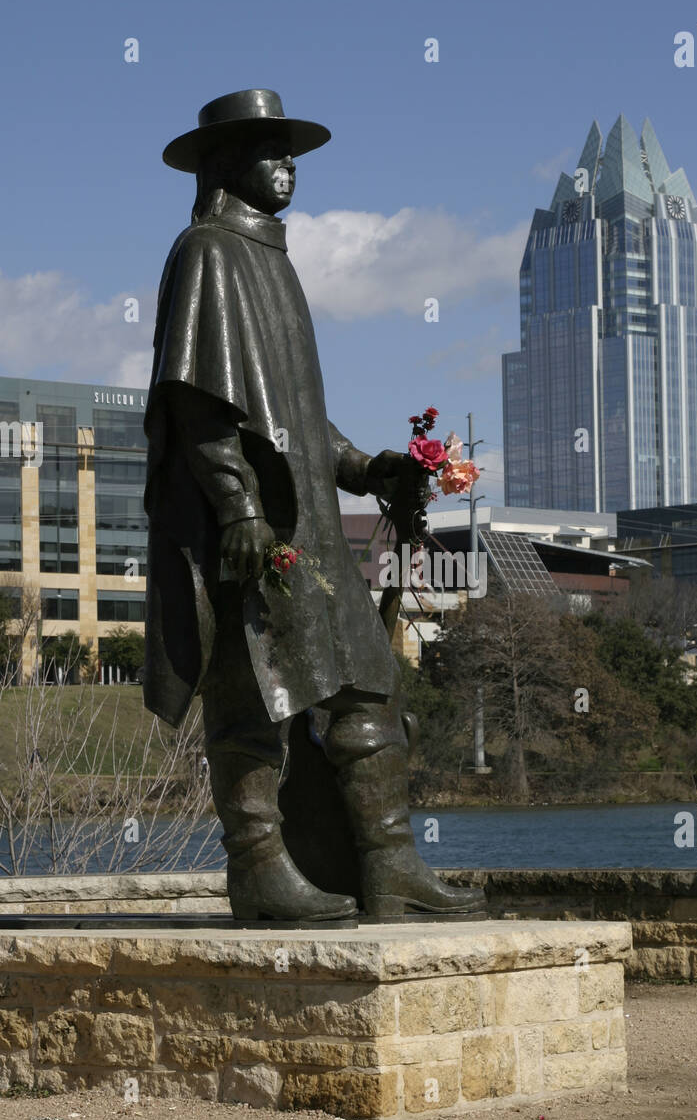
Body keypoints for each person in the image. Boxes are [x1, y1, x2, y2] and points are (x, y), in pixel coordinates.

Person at [143, 90, 484, 924]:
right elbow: (198, 405)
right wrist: (237, 510)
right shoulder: (206, 253)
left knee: (367, 693)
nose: (288, 167)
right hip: (257, 535)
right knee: (253, 698)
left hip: (317, 536)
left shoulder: (275, 262)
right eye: (271, 152)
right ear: (228, 165)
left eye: (292, 153)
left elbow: (293, 418)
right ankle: (259, 865)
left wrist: (371, 469)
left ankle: (389, 864)